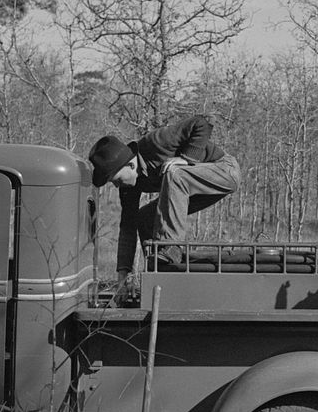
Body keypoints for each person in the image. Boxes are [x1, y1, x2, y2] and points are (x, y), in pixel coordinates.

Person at [89, 115, 240, 285]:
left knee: (174, 172)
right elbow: (128, 227)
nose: (116, 186)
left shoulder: (155, 143)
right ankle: (161, 274)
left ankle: (171, 247)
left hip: (225, 171)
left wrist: (186, 158)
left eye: (116, 179)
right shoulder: (129, 187)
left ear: (130, 165)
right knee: (144, 218)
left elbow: (202, 123)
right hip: (193, 189)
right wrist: (123, 274)